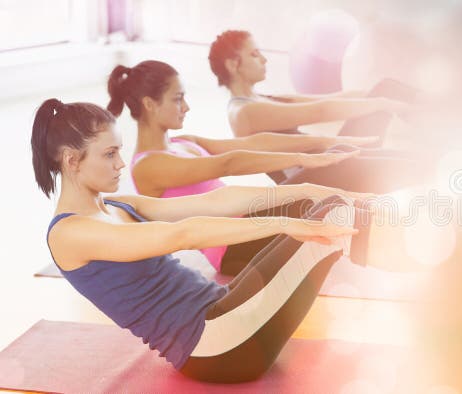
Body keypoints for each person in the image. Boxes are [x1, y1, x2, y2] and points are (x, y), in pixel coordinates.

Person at [33, 98, 390, 382]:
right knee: (327, 218)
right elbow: (183, 234)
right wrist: (286, 223)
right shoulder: (70, 233)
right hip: (219, 348)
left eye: (119, 151)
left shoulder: (116, 204)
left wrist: (305, 190)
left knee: (324, 204)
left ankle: (403, 227)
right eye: (109, 154)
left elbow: (213, 201)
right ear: (71, 160)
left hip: (227, 312)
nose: (121, 164)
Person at [107, 60, 423, 274]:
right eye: (177, 99)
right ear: (149, 104)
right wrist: (304, 158)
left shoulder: (182, 142)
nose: (186, 107)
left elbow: (254, 145)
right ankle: (414, 248)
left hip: (254, 221)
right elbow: (228, 163)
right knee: (319, 187)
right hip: (235, 247)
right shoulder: (148, 167)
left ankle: (412, 222)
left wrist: (319, 145)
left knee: (331, 181)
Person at [209, 29, 419, 145]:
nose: (263, 59)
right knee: (387, 92)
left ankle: (436, 118)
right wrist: (382, 102)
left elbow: (333, 98)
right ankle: (441, 117)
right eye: (254, 54)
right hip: (318, 173)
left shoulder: (260, 99)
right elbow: (321, 110)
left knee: (385, 88)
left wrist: (368, 95)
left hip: (328, 161)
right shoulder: (245, 111)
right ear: (232, 64)